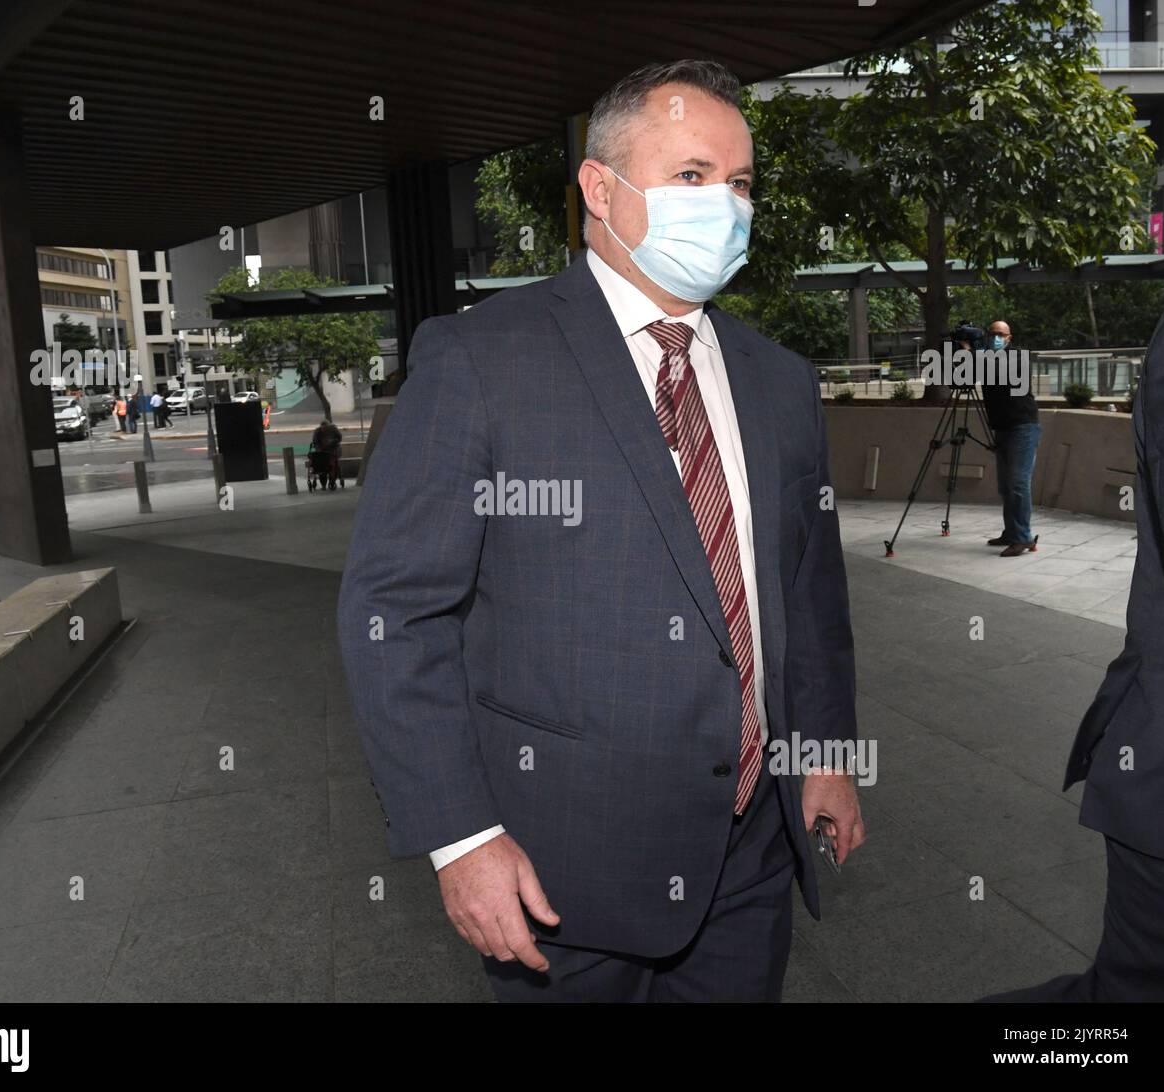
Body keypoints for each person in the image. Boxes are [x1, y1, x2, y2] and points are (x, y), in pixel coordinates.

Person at [337, 59, 864, 1003]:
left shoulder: (781, 381)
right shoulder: (479, 359)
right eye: (692, 175)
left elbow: (809, 593)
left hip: (751, 856)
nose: (726, 206)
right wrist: (460, 837)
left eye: (741, 184)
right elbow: (394, 613)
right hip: (558, 871)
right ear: (599, 187)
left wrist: (823, 754)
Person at [983, 298, 1164, 1003]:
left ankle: (1021, 533)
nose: (995, 344)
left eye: (999, 337)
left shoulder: (1012, 364)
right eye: (991, 338)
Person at [980, 319, 1041, 556]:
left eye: (1000, 334)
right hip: (1003, 428)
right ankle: (1012, 532)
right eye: (992, 333)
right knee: (1006, 485)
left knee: (1017, 483)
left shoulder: (1017, 357)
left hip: (1023, 427)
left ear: (1009, 338)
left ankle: (1023, 538)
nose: (996, 338)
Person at [312, 418, 342, 491]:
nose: (325, 430)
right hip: (322, 451)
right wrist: (319, 449)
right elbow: (315, 442)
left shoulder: (334, 429)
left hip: (332, 450)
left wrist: (332, 442)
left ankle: (332, 481)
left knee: (333, 466)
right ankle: (323, 484)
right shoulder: (317, 431)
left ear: (329, 427)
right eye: (323, 429)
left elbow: (339, 439)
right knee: (321, 468)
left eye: (326, 428)